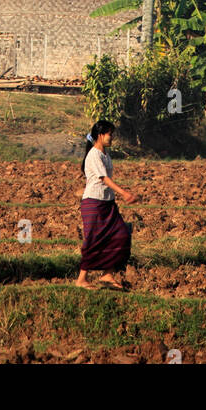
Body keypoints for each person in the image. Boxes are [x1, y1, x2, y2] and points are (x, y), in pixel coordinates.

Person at [75, 119, 138, 290]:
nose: (111, 138)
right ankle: (82, 279)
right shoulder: (94, 154)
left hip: (107, 203)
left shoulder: (105, 155)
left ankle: (107, 273)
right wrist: (124, 193)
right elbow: (104, 178)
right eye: (109, 134)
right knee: (94, 240)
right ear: (100, 135)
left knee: (121, 234)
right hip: (94, 203)